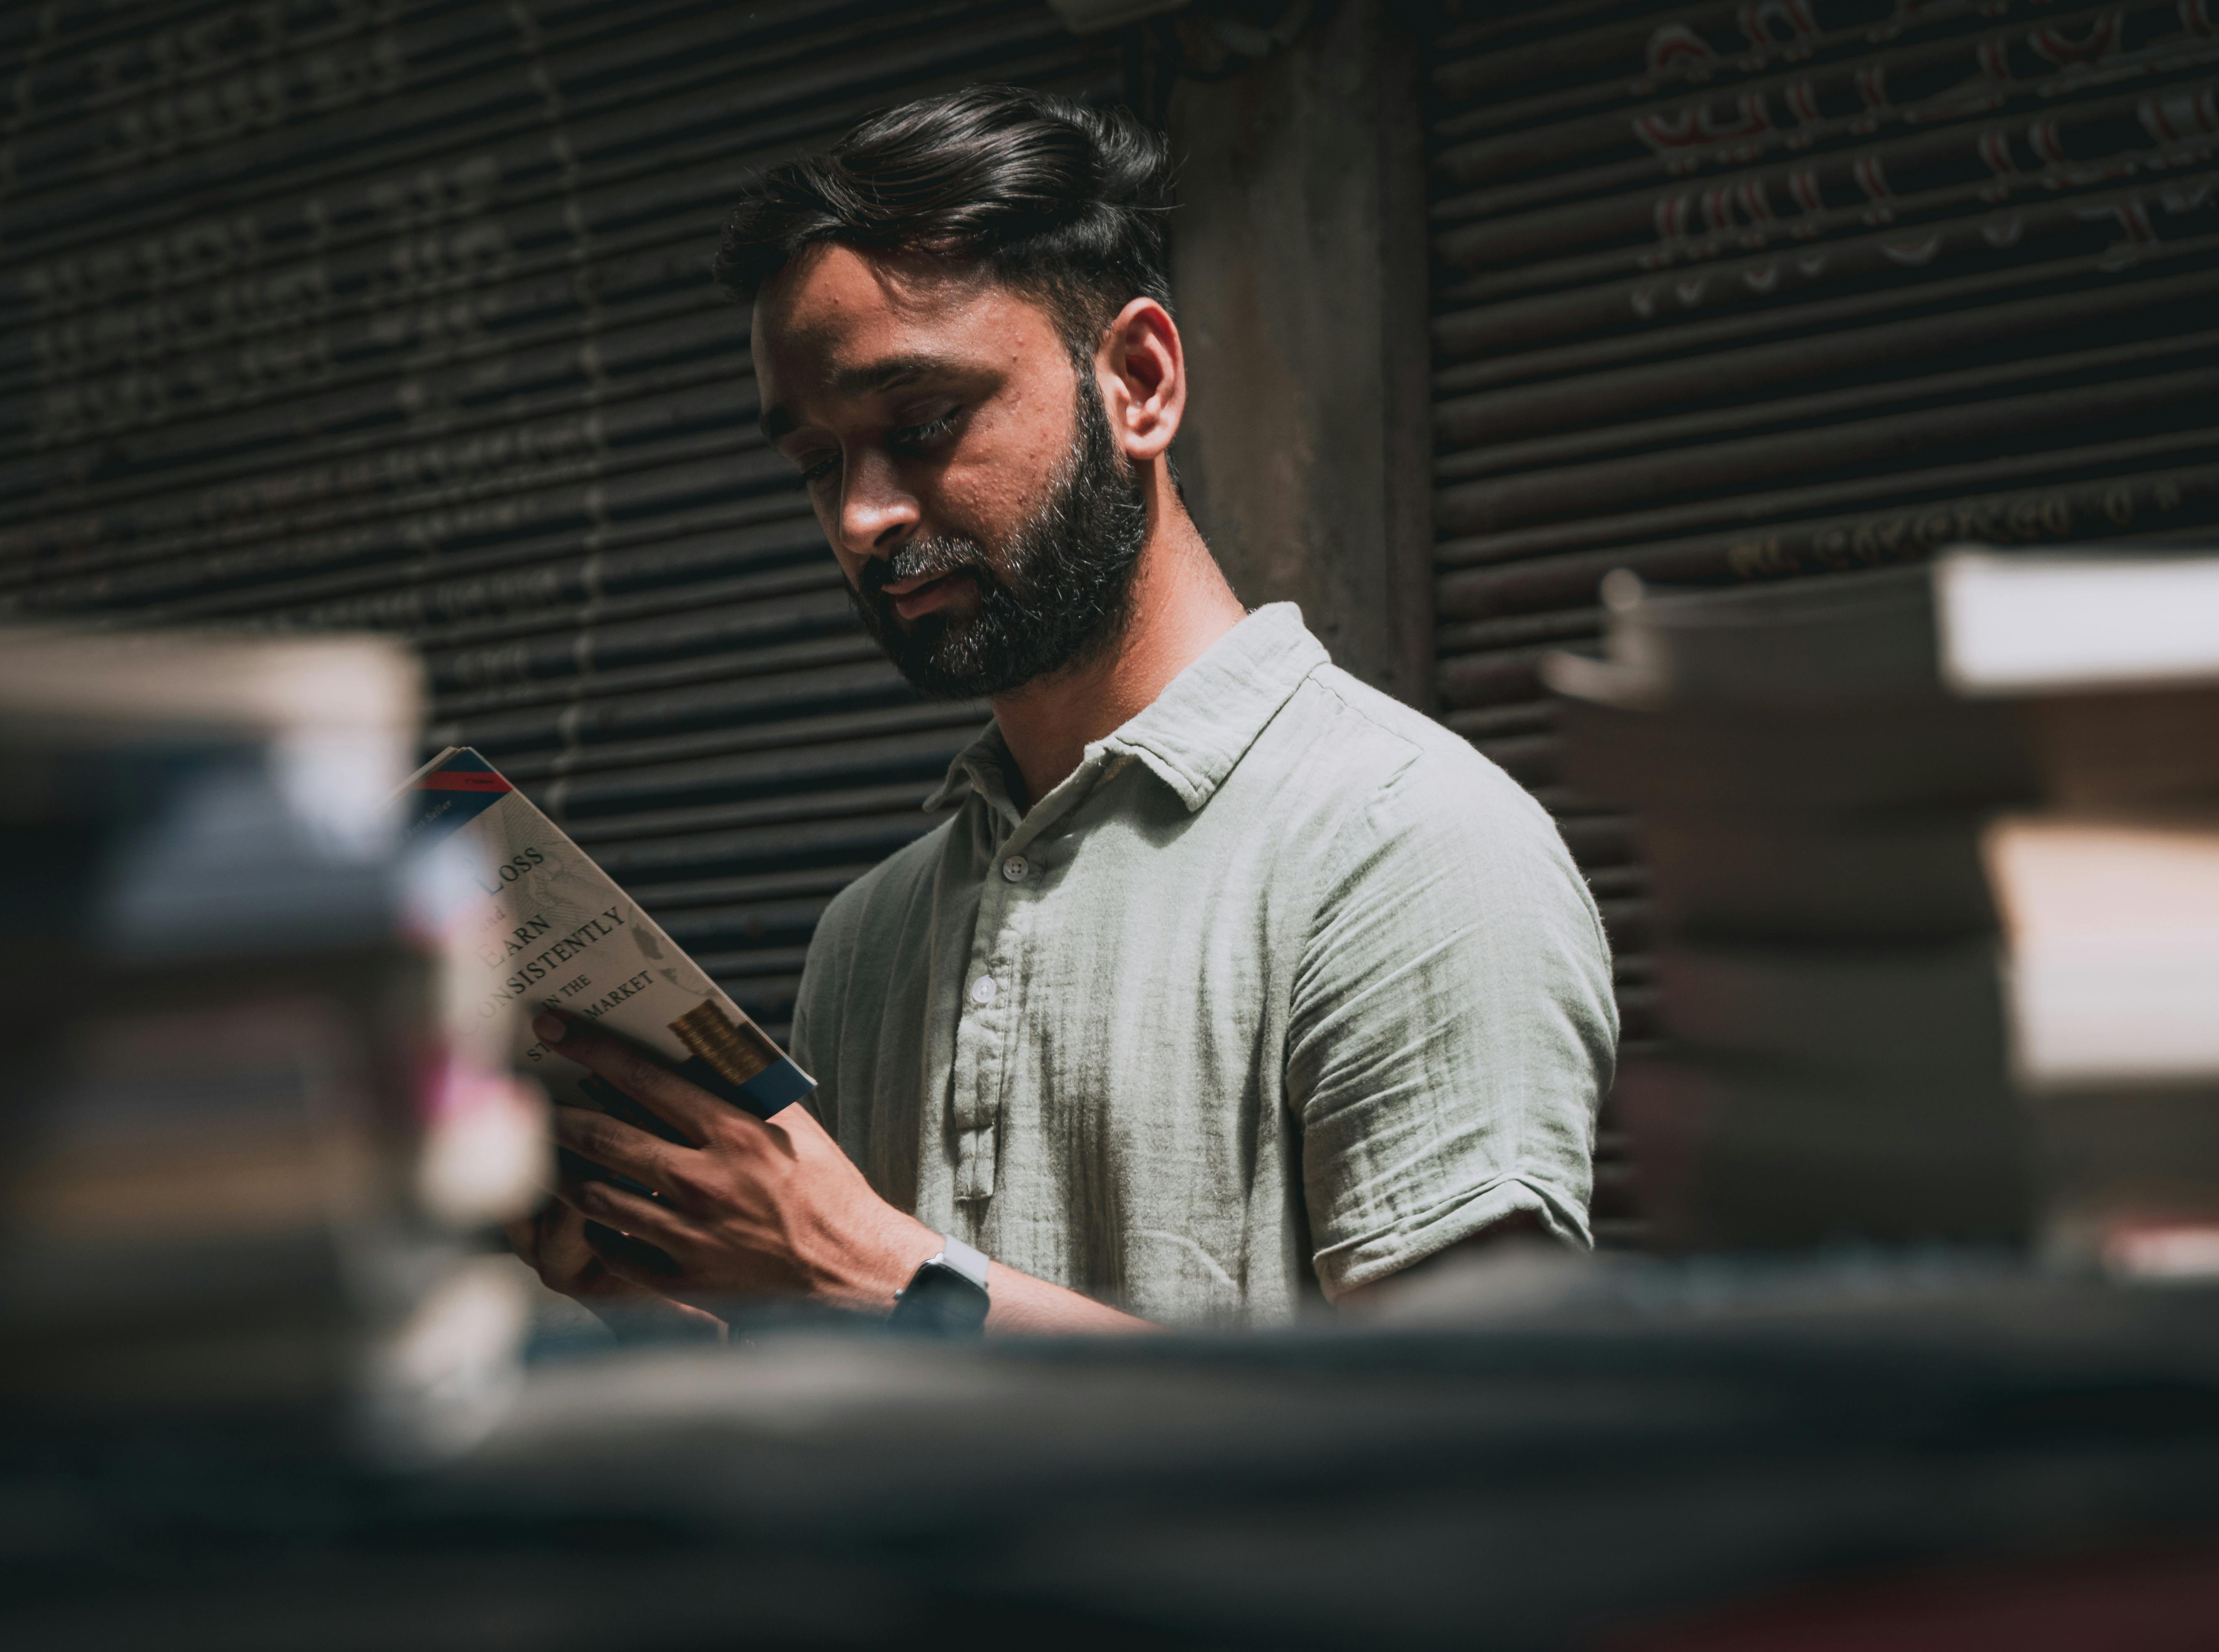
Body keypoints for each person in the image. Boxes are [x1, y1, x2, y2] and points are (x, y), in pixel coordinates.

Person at [509, 86, 1616, 1334]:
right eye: (816, 464)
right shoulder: (867, 941)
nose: (863, 516)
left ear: (1138, 382)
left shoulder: (1409, 849)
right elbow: (875, 1420)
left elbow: (1480, 1453)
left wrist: (878, 1274)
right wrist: (664, 1290)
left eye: (922, 424)